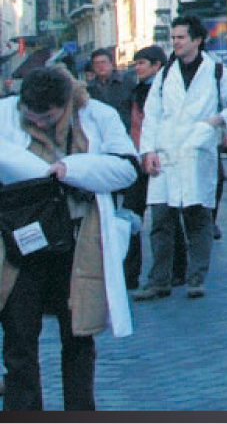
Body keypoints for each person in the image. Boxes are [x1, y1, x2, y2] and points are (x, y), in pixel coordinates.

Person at [0, 66, 137, 411]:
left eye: (46, 118)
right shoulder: (5, 113)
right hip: (21, 245)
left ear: (64, 106)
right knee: (18, 340)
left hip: (76, 243)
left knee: (77, 337)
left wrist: (72, 169)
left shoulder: (98, 116)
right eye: (30, 117)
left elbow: (126, 169)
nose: (39, 124)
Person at [133, 15, 227, 301]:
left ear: (197, 40)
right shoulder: (164, 75)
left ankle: (196, 277)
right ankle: (159, 280)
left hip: (196, 153)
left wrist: (218, 121)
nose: (176, 42)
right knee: (160, 221)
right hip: (166, 153)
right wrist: (148, 151)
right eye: (173, 38)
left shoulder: (217, 71)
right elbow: (152, 116)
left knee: (197, 218)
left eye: (181, 37)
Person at [120, 45, 169, 290]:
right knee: (132, 216)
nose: (137, 68)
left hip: (158, 158)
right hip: (137, 159)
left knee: (164, 216)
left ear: (156, 65)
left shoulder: (166, 89)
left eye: (142, 63)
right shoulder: (136, 90)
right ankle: (131, 274)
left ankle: (170, 272)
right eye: (136, 63)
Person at [85, 49, 135, 130]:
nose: (100, 66)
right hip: (101, 131)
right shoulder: (89, 88)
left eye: (103, 62)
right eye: (97, 63)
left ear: (111, 63)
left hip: (125, 130)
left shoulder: (126, 82)